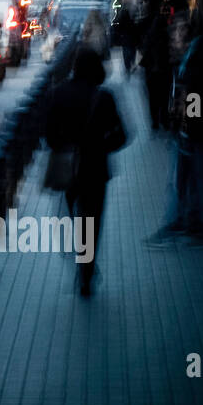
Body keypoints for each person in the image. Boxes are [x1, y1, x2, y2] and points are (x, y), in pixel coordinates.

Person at [45, 47, 128, 296]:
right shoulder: (104, 96)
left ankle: (81, 261)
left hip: (67, 169)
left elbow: (49, 136)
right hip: (95, 169)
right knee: (92, 222)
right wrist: (100, 147)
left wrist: (65, 147)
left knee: (74, 218)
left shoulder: (57, 94)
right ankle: (87, 272)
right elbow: (122, 135)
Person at [149, 10, 203, 248]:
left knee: (201, 177)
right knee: (197, 177)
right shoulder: (198, 53)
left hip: (198, 130)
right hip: (199, 128)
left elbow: (196, 94)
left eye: (179, 30)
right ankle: (192, 222)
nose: (175, 35)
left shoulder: (199, 56)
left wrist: (187, 128)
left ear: (189, 31)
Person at [138, 0, 171, 131]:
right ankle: (164, 118)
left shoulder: (150, 37)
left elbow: (144, 53)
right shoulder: (166, 38)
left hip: (151, 74)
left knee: (153, 98)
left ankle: (155, 120)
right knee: (164, 97)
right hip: (164, 72)